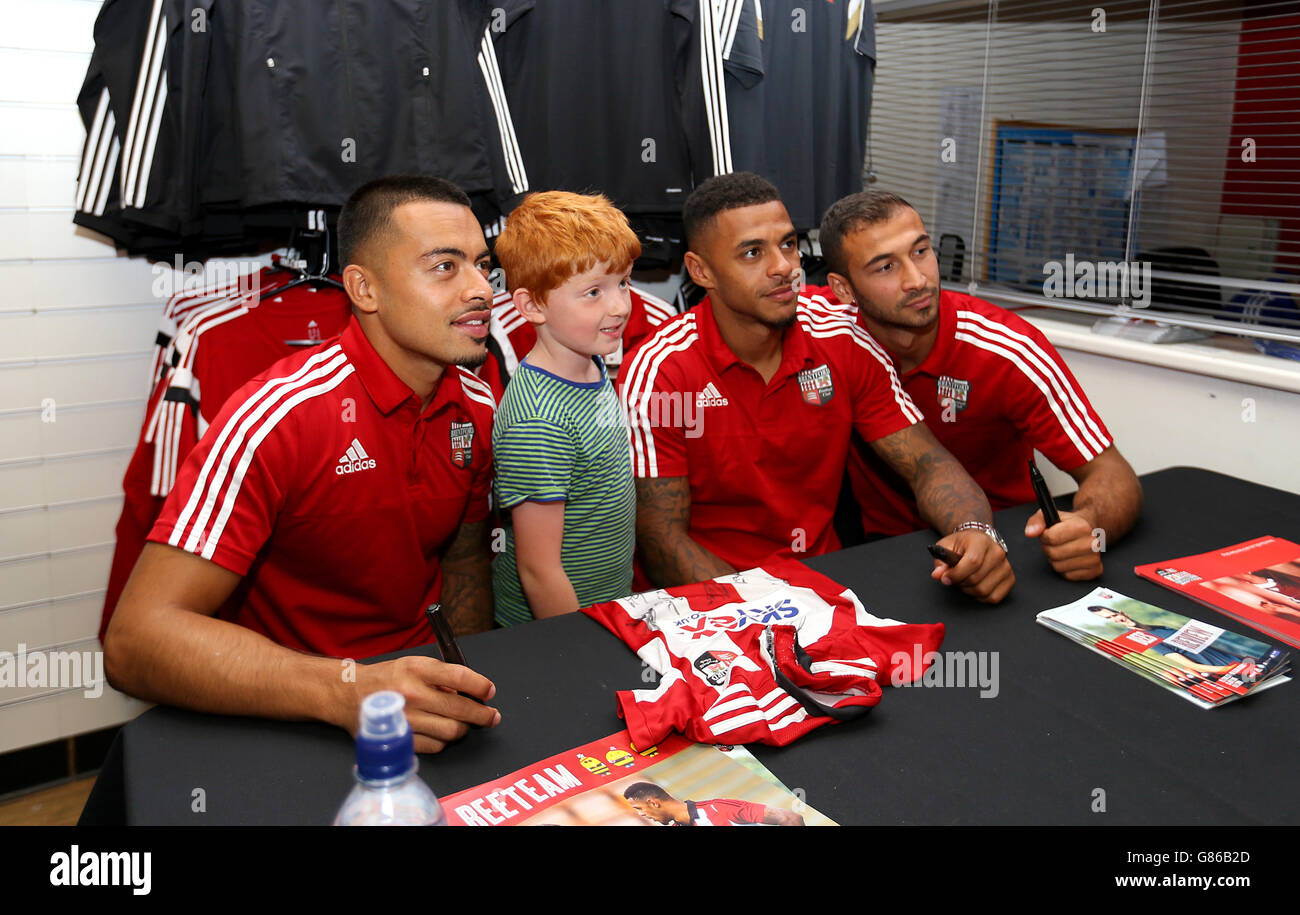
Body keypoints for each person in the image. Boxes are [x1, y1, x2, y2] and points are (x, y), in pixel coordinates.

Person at [104, 175, 502, 753]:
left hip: (423, 703)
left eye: (481, 264)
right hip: (290, 711)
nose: (481, 289)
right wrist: (346, 690)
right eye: (445, 266)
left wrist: (463, 680)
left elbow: (466, 560)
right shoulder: (274, 418)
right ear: (364, 289)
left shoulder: (478, 403)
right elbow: (136, 642)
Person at [620, 173, 1014, 603]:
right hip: (704, 601)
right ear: (702, 271)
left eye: (788, 245)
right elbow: (661, 540)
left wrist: (973, 531)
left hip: (825, 583)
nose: (784, 268)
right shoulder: (661, 371)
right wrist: (774, 607)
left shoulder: (841, 337)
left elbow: (927, 463)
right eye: (753, 252)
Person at [819, 191, 1143, 581]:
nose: (917, 280)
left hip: (1011, 541)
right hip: (886, 548)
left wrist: (1090, 527)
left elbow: (1112, 474)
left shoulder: (1008, 348)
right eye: (886, 267)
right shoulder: (826, 334)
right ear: (843, 290)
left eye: (921, 251)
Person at [488, 191, 640, 624]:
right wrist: (576, 648)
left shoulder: (589, 361)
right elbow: (539, 570)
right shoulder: (539, 421)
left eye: (623, 282)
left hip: (609, 605)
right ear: (531, 305)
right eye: (593, 292)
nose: (619, 306)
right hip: (563, 627)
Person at [1087, 605, 1254, 677]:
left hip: (1238, 660)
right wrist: (1229, 669)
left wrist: (1241, 658)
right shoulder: (1145, 639)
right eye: (1111, 619)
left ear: (1123, 613)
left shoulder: (1161, 627)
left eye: (1115, 615)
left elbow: (1206, 646)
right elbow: (1192, 666)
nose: (1117, 620)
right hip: (1227, 670)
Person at [623, 782, 805, 826]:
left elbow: (791, 817)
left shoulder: (719, 808)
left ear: (653, 803)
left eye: (639, 809)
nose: (641, 815)